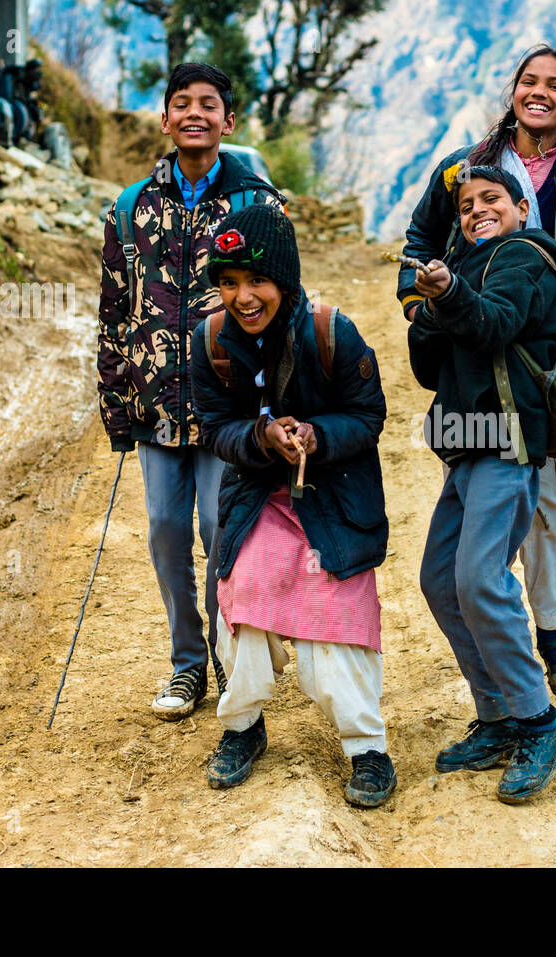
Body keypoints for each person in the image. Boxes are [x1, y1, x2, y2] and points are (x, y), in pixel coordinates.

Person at [397, 45, 556, 699]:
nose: (540, 93)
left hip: (547, 367)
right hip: (474, 358)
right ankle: (505, 654)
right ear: (513, 90)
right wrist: (424, 304)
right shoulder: (464, 170)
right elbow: (418, 238)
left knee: (550, 501)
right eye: (529, 81)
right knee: (480, 498)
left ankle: (549, 632)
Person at [191, 204, 396, 807]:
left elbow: (368, 416)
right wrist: (258, 439)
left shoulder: (333, 333)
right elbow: (213, 427)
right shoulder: (211, 342)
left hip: (331, 501)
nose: (243, 297)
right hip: (257, 497)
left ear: (285, 278)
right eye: (228, 283)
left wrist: (314, 435)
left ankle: (367, 748)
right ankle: (242, 728)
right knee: (243, 611)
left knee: (333, 626)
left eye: (256, 281)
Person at [96, 62, 280, 720]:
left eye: (210, 103)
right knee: (167, 532)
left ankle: (228, 654)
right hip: (155, 405)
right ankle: (185, 665)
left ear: (229, 122)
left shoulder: (256, 204)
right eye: (182, 103)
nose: (195, 113)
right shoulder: (131, 206)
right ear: (165, 119)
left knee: (219, 528)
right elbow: (115, 310)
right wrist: (117, 404)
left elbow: (281, 307)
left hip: (227, 410)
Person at [410, 166, 556, 805]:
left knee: (480, 577)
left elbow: (495, 325)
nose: (477, 210)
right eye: (466, 205)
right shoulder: (462, 266)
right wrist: (433, 304)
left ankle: (539, 720)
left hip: (508, 442)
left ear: (519, 207)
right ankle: (499, 714)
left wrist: (450, 294)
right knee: (440, 580)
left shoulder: (526, 257)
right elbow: (429, 368)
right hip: (465, 446)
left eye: (492, 200)